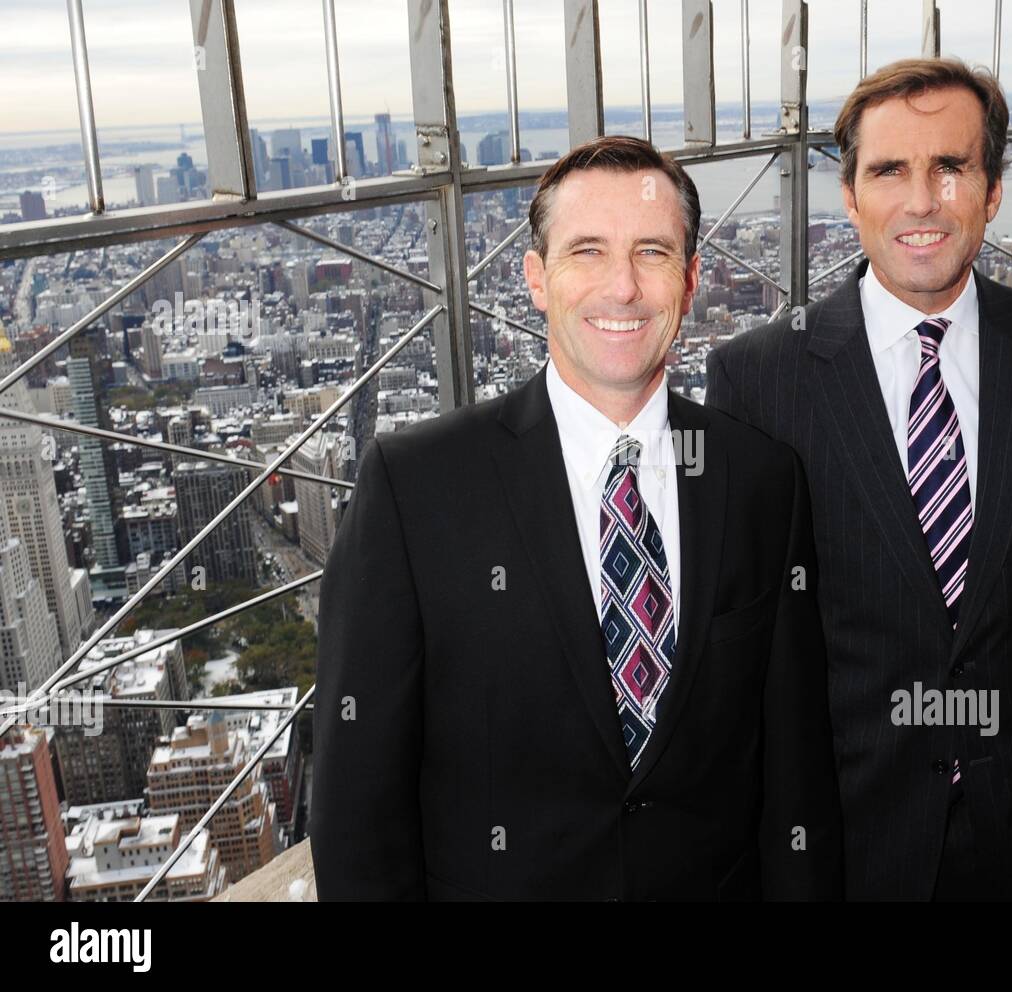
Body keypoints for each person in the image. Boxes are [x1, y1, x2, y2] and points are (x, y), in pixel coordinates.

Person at [311, 135, 842, 901]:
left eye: (653, 253)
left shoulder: (761, 480)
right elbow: (358, 807)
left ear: (691, 279)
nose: (622, 288)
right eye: (587, 251)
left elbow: (796, 775)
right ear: (537, 278)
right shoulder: (415, 487)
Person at [706, 57, 1012, 900]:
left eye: (951, 167)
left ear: (993, 188)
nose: (921, 201)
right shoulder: (758, 379)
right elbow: (747, 650)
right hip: (841, 845)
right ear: (850, 195)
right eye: (890, 170)